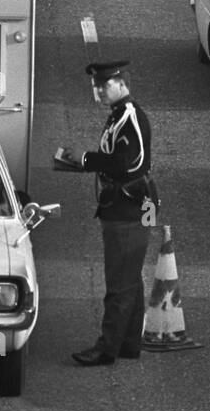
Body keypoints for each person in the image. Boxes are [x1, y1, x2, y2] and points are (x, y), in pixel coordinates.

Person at [55, 61, 156, 367]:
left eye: (104, 85)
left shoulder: (130, 116)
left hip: (129, 207)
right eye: (96, 86)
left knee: (119, 283)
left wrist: (87, 159)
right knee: (129, 277)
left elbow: (128, 163)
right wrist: (81, 163)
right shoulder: (117, 114)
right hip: (122, 205)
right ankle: (129, 343)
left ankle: (107, 348)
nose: (98, 90)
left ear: (123, 83)